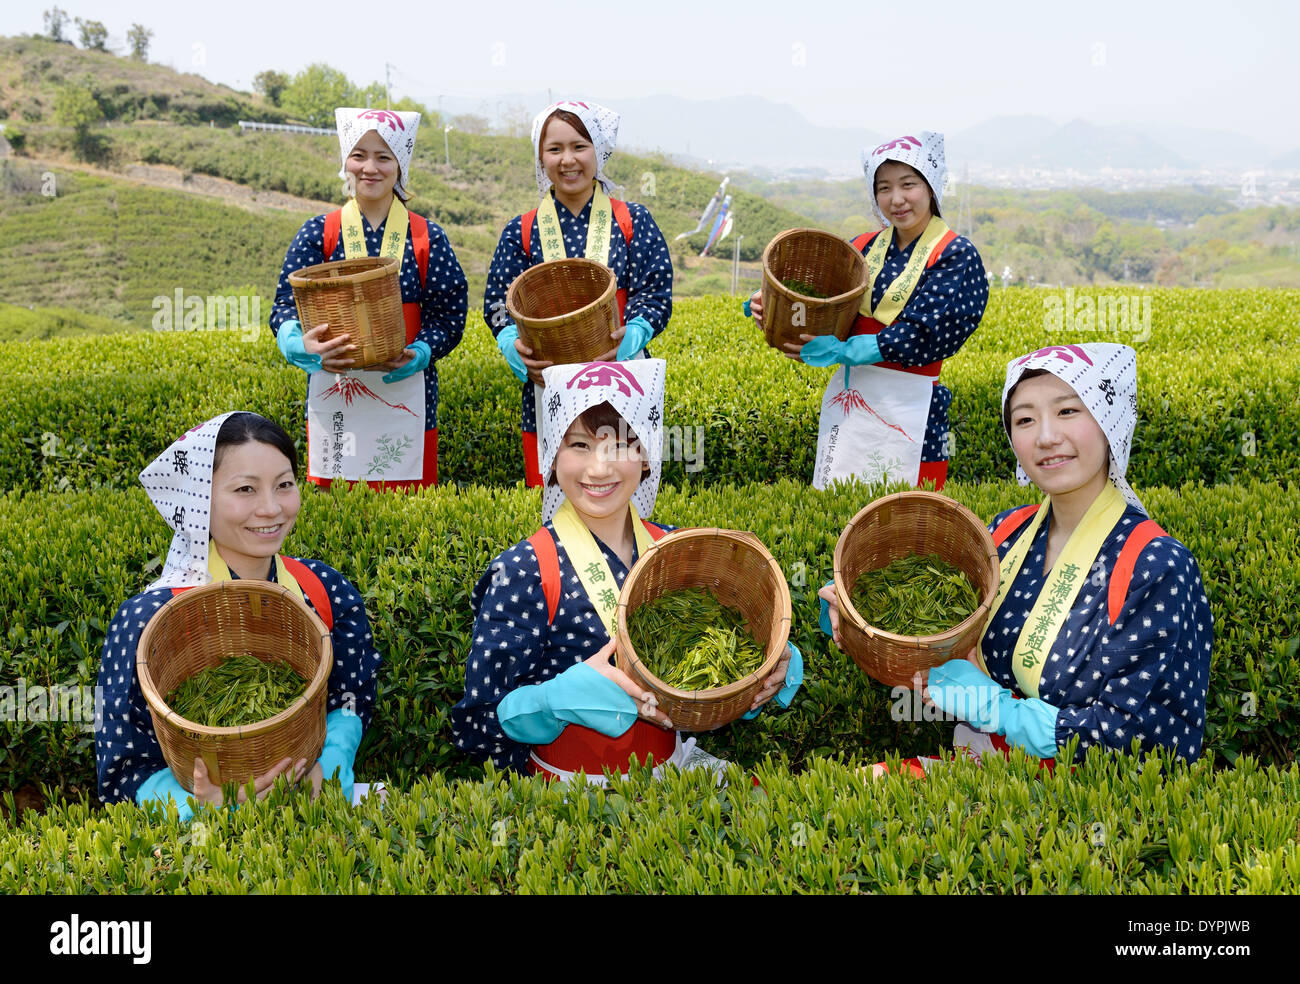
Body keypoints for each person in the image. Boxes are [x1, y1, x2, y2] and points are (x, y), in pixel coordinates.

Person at [819, 343, 1214, 771]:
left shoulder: (1156, 565)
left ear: (1108, 422)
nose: (1045, 437)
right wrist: (856, 616)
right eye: (1025, 419)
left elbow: (1142, 742)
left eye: (1068, 411)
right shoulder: (1006, 533)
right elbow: (935, 637)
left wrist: (998, 709)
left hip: (1077, 802)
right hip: (976, 767)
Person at [450, 359, 801, 780]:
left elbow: (708, 688)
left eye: (618, 446)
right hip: (569, 795)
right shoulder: (525, 570)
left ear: (647, 455)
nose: (599, 468)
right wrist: (549, 702)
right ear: (552, 455)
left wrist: (763, 674)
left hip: (671, 777)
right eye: (578, 445)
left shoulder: (679, 550)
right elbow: (476, 725)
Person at [95, 412, 382, 818]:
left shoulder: (322, 587)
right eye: (245, 489)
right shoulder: (147, 619)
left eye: (284, 485)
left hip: (318, 806)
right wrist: (201, 808)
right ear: (198, 500)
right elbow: (124, 763)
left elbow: (352, 693)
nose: (270, 508)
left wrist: (330, 766)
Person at [747, 131, 988, 491]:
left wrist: (851, 350)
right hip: (851, 391)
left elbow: (929, 330)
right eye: (884, 188)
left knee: (908, 509)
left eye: (909, 184)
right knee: (839, 494)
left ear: (932, 187)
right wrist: (771, 301)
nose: (897, 199)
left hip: (913, 400)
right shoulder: (863, 246)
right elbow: (825, 298)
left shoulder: (955, 254)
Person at [271, 108, 468, 488]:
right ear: (345, 161)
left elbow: (449, 313)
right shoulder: (318, 232)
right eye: (359, 155)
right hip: (333, 385)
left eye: (384, 157)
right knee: (336, 503)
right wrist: (296, 342)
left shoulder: (428, 237)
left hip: (407, 390)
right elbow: (284, 304)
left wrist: (423, 352)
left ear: (400, 165)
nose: (369, 168)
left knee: (410, 500)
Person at [483, 100, 674, 487]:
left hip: (624, 375)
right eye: (554, 149)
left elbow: (655, 292)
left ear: (598, 151)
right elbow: (497, 304)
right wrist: (510, 344)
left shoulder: (632, 220)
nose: (568, 160)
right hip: (546, 383)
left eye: (579, 146)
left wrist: (633, 333)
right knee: (555, 494)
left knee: (623, 491)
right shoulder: (520, 230)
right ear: (541, 159)